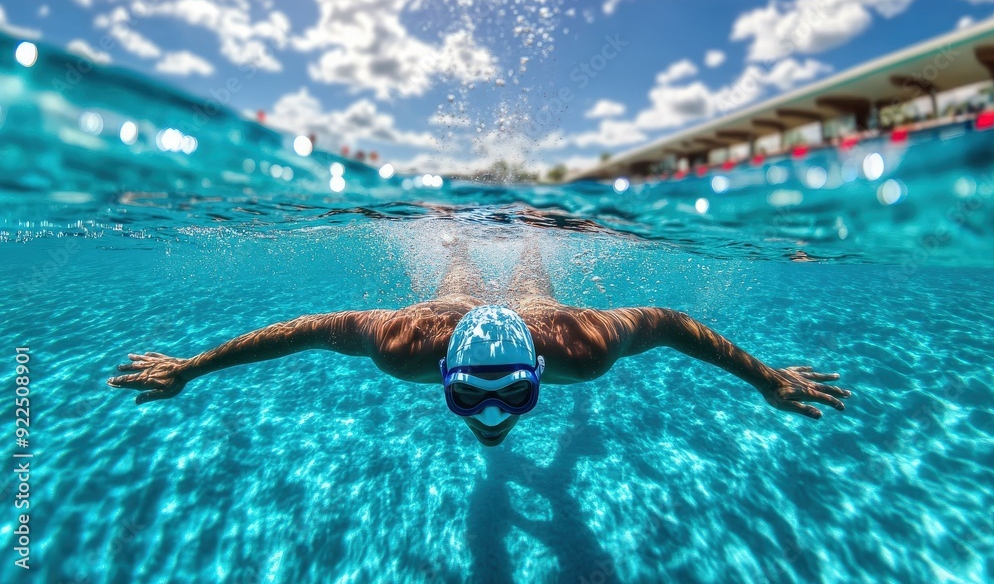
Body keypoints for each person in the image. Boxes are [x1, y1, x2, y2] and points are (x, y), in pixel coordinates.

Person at [108, 241, 850, 446]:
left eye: (510, 396)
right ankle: (460, 233)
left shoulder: (576, 343)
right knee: (458, 270)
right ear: (442, 370)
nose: (492, 416)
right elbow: (301, 331)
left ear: (539, 370)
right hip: (452, 309)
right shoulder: (408, 338)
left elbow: (669, 321)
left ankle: (527, 231)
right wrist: (191, 367)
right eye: (472, 395)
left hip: (531, 312)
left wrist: (766, 378)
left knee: (532, 269)